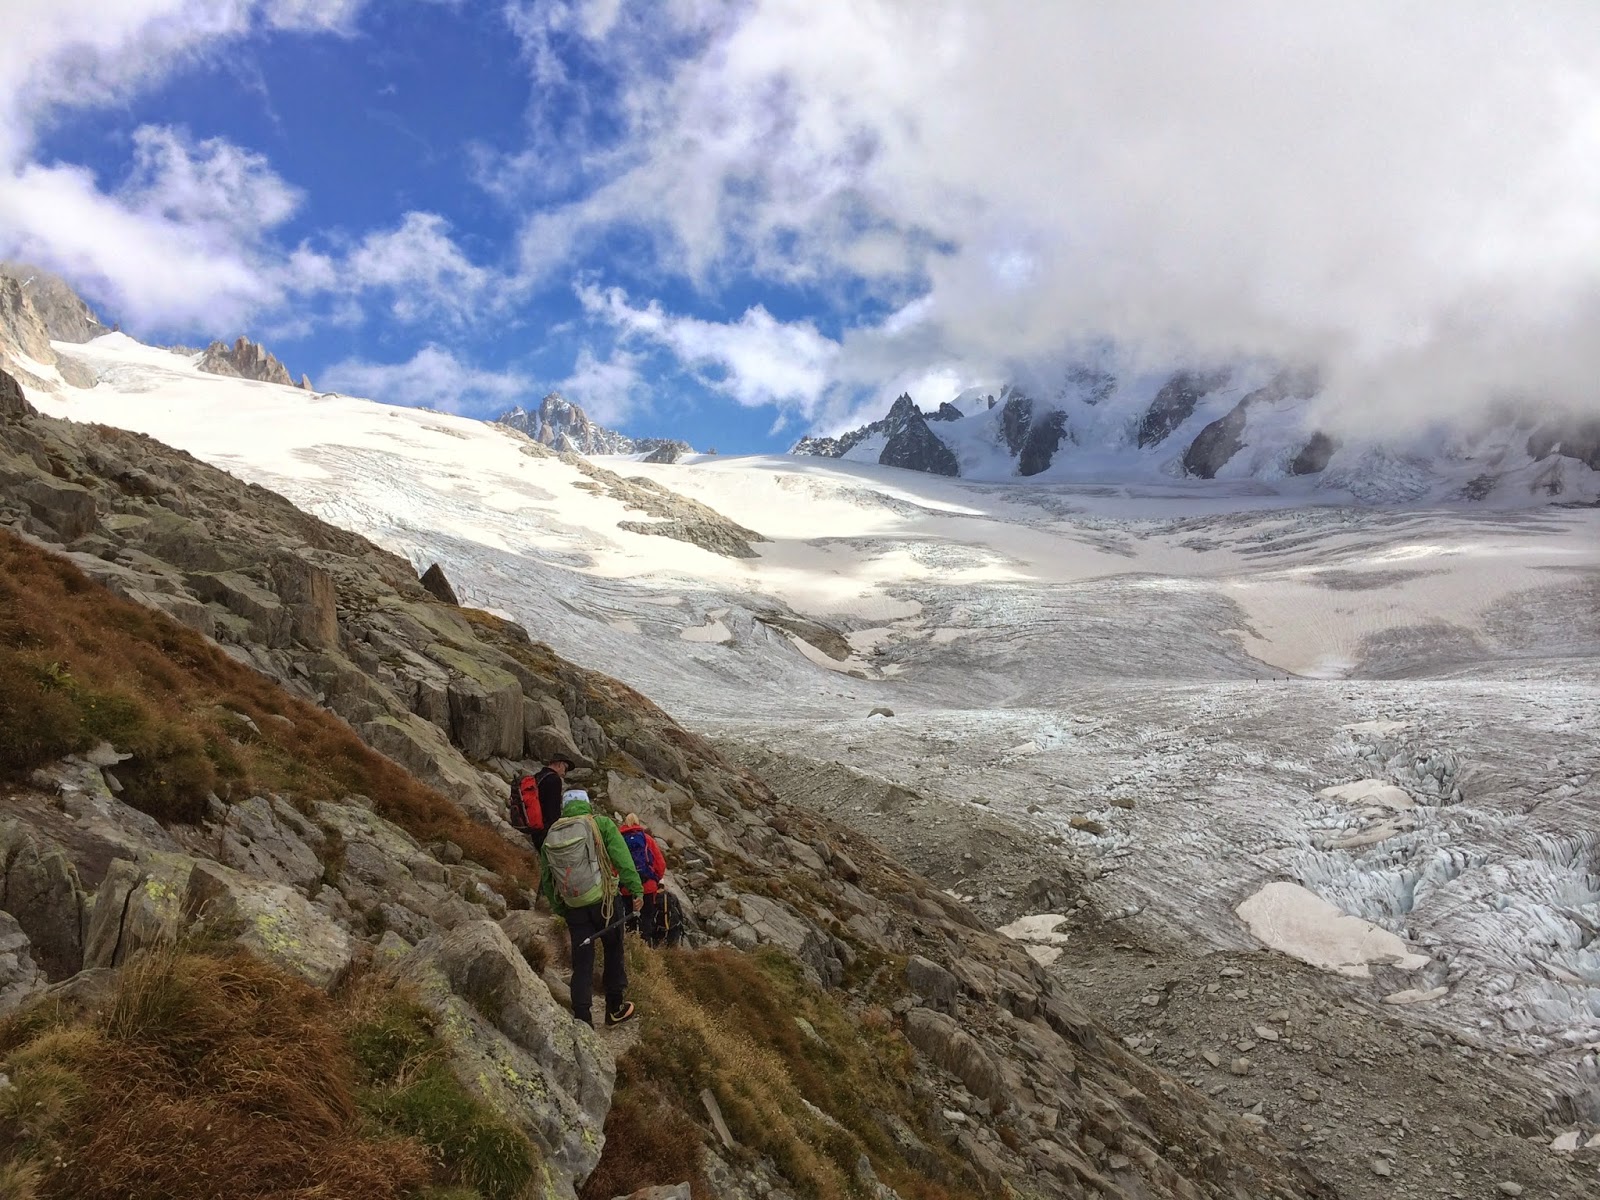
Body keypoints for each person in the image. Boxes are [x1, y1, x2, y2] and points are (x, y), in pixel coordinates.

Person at [540, 788, 642, 1027]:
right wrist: (636, 890)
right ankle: (614, 1009)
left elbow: (547, 878)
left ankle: (583, 1018)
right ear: (587, 804)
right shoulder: (601, 824)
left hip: (574, 906)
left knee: (582, 961)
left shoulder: (551, 834)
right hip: (605, 901)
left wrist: (561, 907)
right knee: (613, 950)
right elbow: (622, 859)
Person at [616, 812, 668, 945]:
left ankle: (631, 950)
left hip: (627, 888)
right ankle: (647, 950)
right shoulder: (647, 839)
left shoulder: (619, 841)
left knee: (629, 920)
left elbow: (614, 865)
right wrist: (655, 879)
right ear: (638, 823)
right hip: (648, 887)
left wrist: (620, 883)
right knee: (647, 920)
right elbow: (660, 864)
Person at [524, 756, 572, 851]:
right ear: (559, 764)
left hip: (533, 826)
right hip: (545, 830)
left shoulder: (538, 776)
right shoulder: (554, 780)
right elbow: (553, 810)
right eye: (565, 769)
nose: (564, 773)